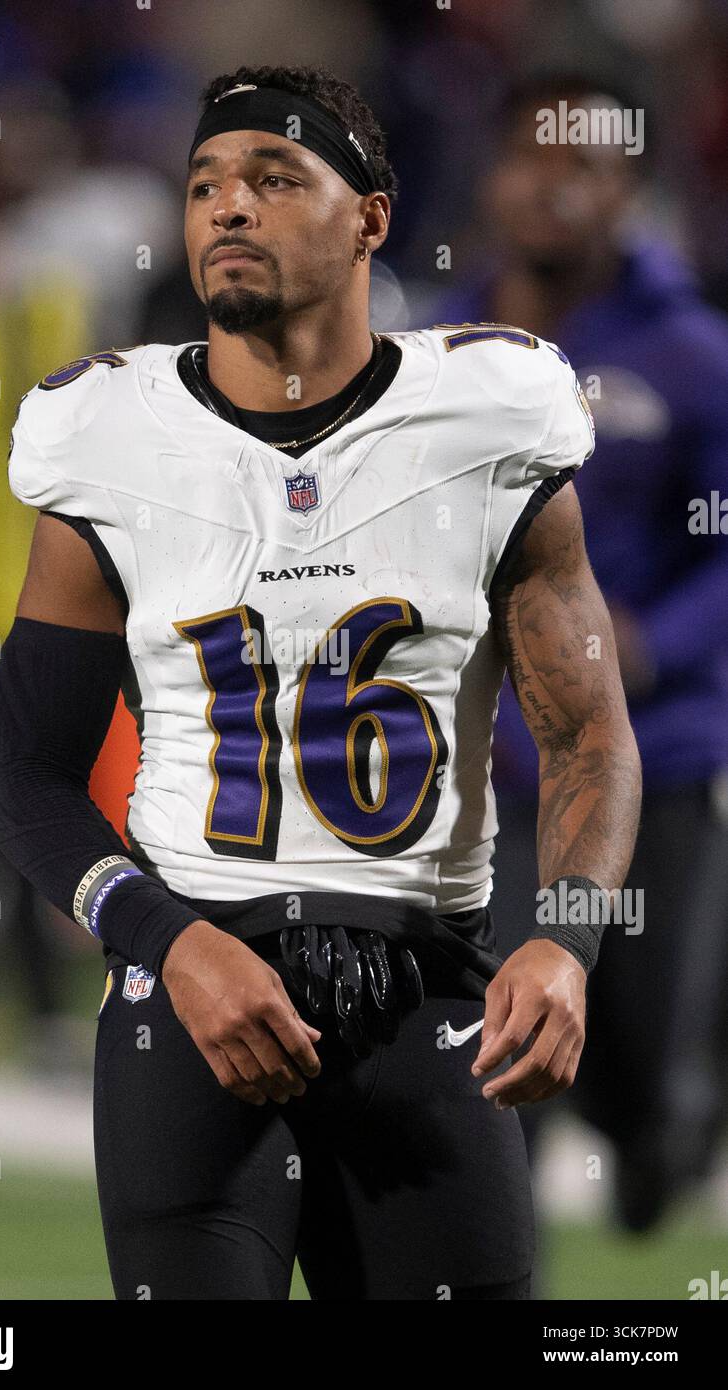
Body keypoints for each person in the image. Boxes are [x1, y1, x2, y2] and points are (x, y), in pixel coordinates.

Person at [0, 64, 640, 1301]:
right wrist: (167, 942)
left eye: (275, 178)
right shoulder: (110, 438)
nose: (227, 206)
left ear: (370, 220)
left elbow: (589, 738)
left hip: (428, 993)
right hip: (192, 996)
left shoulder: (486, 418)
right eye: (203, 185)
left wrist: (564, 942)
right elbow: (25, 773)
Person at [437, 71, 728, 1231]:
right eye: (532, 156)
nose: (553, 186)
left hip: (648, 756)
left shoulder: (694, 355)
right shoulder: (438, 349)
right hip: (490, 773)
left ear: (630, 191)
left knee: (639, 1074)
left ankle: (672, 1120)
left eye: (586, 165)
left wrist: (658, 641)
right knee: (497, 1071)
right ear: (494, 174)